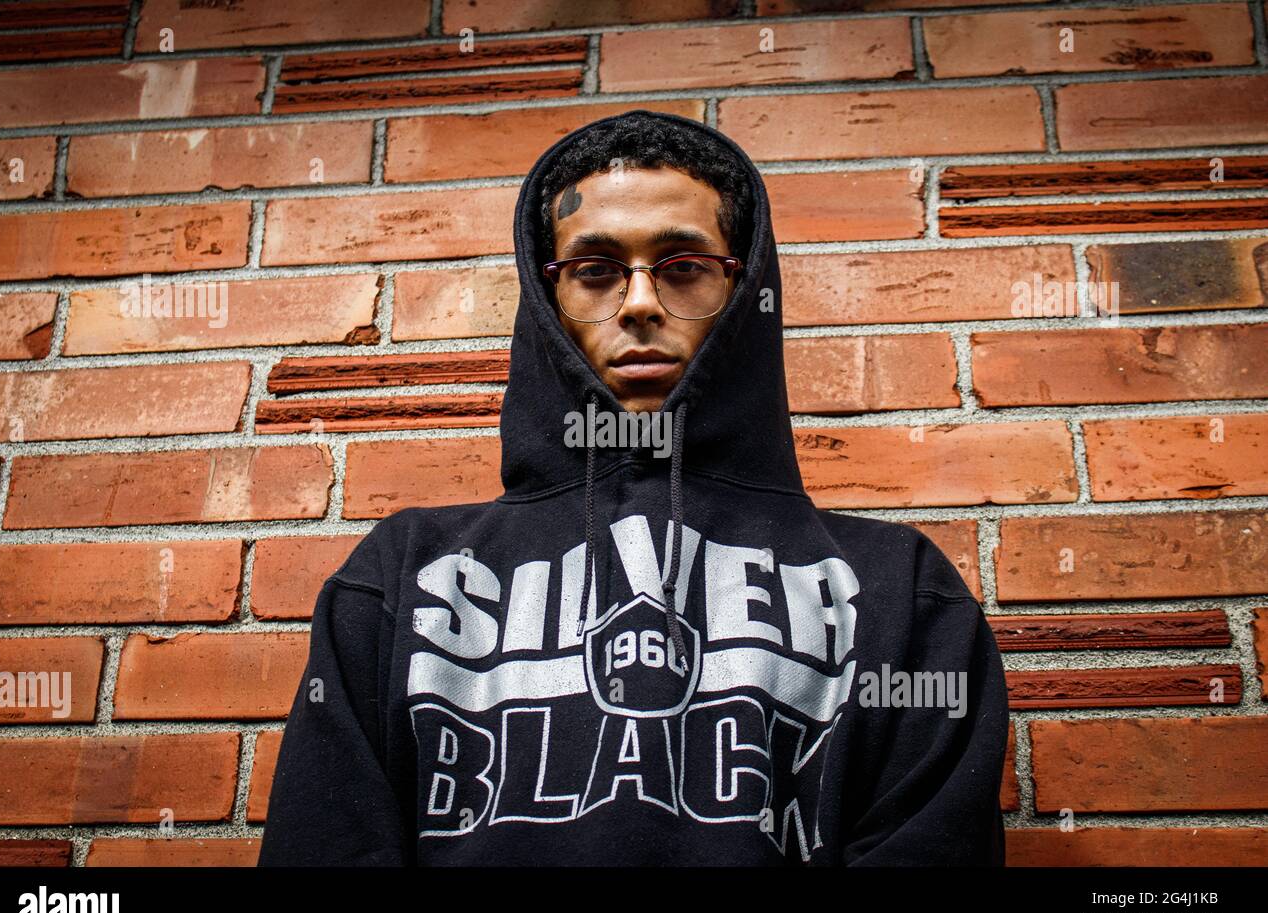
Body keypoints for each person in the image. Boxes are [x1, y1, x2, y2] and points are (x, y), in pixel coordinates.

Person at [257, 109, 1009, 866]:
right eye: (596, 271)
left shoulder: (894, 593)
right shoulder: (405, 579)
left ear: (742, 287)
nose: (642, 302)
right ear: (549, 298)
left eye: (683, 266)